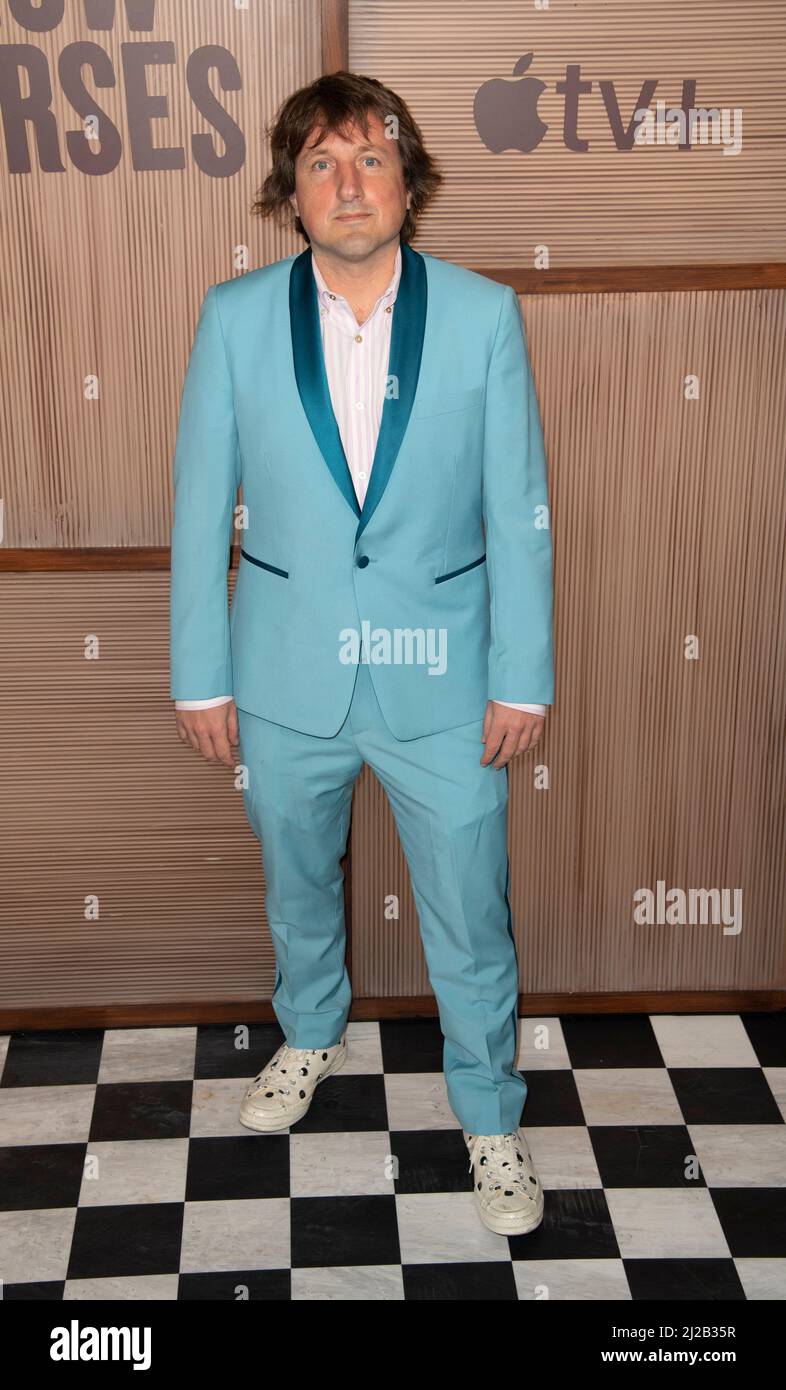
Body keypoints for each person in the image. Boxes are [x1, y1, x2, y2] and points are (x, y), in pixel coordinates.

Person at [169, 71, 554, 1237]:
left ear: (408, 182)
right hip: (284, 677)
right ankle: (308, 1033)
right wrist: (201, 671)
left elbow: (518, 508)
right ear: (292, 191)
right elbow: (199, 508)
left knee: (470, 911)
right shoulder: (235, 318)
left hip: (446, 683)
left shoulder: (484, 316)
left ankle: (489, 1115)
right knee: (298, 887)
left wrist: (521, 674)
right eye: (323, 163)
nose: (349, 184)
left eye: (371, 159)